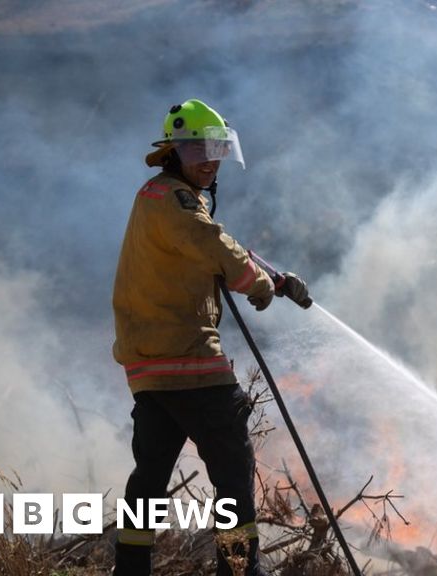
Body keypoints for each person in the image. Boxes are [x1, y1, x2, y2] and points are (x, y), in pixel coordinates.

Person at [111, 99, 309, 576]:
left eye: (217, 148)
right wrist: (260, 285)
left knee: (150, 478)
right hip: (189, 358)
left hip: (152, 364)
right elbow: (210, 243)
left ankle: (130, 569)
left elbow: (218, 242)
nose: (209, 158)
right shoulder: (173, 199)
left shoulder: (161, 197)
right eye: (197, 148)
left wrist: (275, 278)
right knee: (233, 474)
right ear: (173, 151)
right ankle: (239, 570)